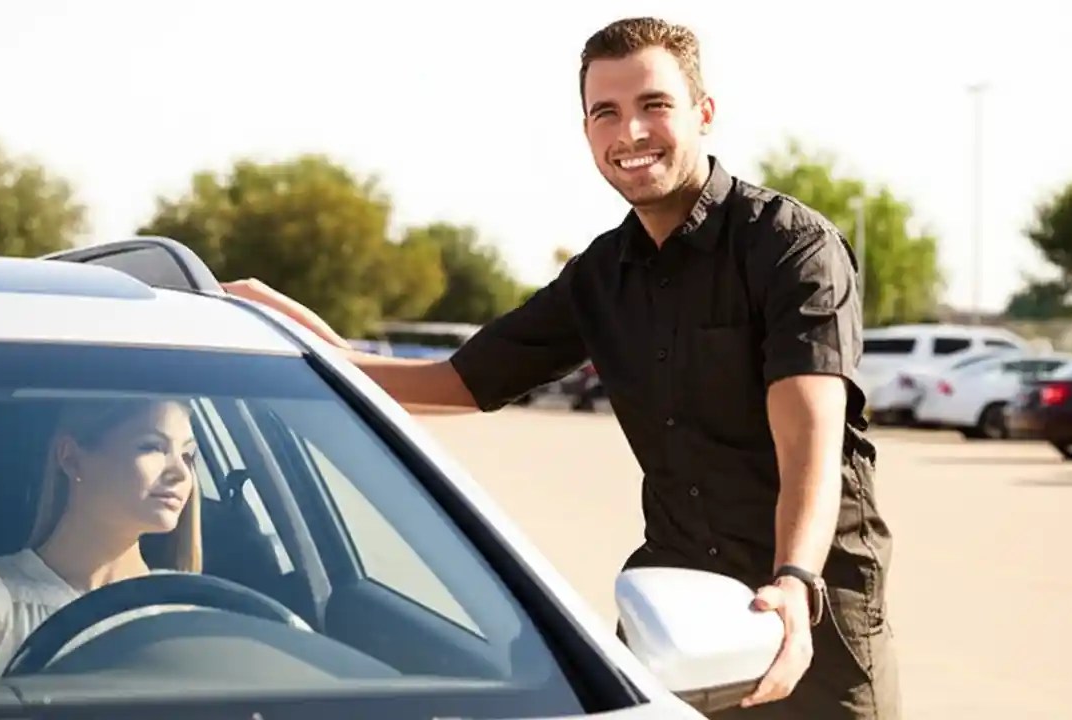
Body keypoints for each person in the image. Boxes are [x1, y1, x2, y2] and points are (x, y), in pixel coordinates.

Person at [223, 16, 898, 719]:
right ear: (586, 133)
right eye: (606, 113)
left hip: (812, 611)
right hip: (676, 607)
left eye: (654, 106)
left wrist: (793, 581)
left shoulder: (790, 248)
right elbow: (460, 381)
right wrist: (307, 346)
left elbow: (810, 442)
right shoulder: (601, 275)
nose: (630, 133)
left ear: (703, 113)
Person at [0, 397, 203, 681]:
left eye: (188, 455)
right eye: (152, 447)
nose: (180, 472)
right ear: (71, 458)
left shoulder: (186, 608)